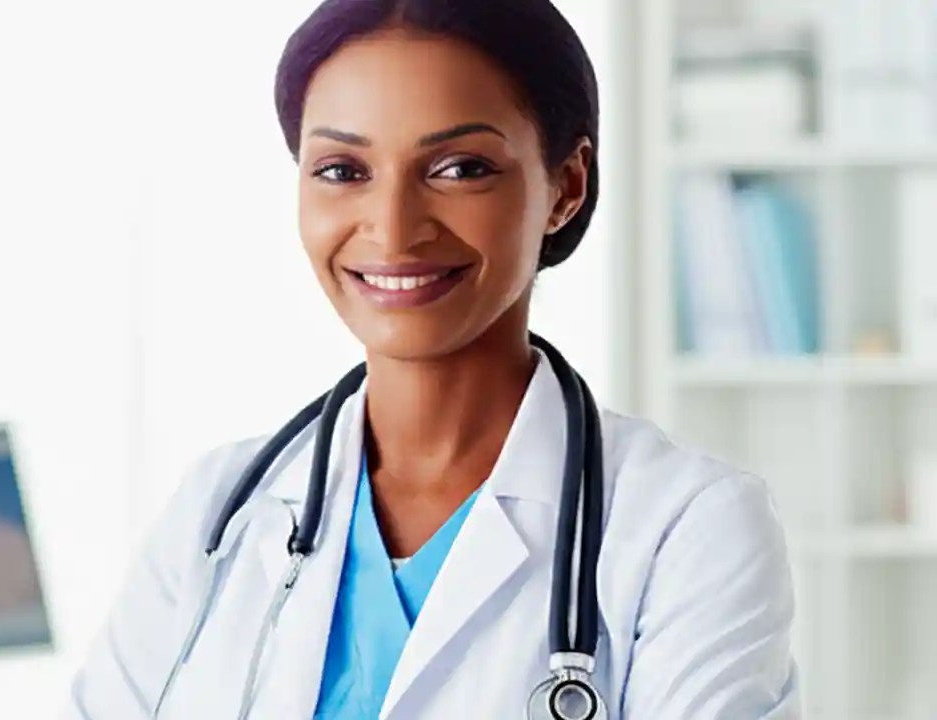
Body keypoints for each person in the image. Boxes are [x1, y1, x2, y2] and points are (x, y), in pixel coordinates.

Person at [65, 0, 800, 717]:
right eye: (343, 170)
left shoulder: (687, 528)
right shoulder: (223, 510)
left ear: (565, 189)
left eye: (458, 168)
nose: (392, 229)